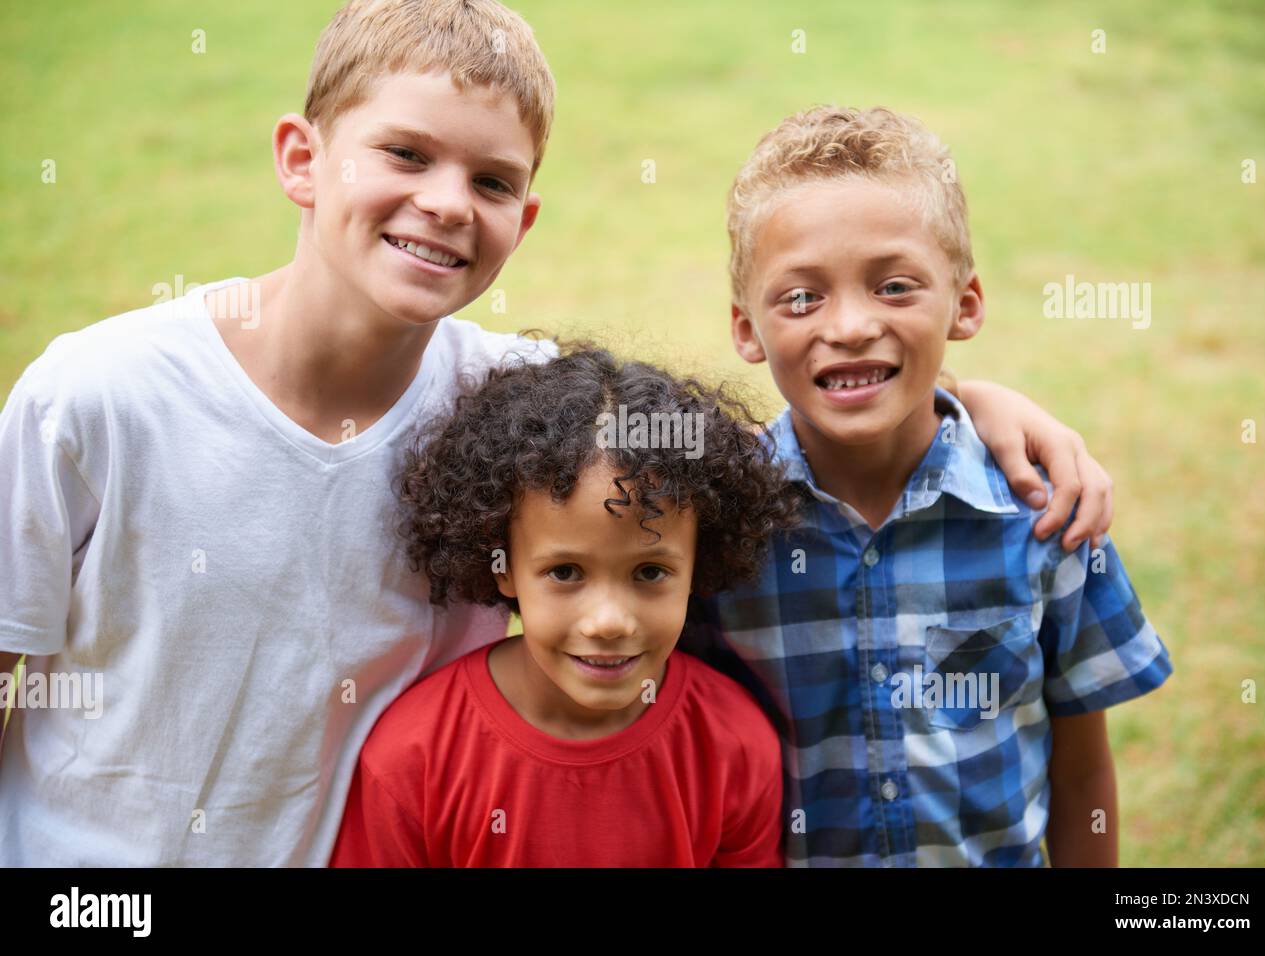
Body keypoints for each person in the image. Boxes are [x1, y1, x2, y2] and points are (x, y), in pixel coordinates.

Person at [0, 1, 1119, 866]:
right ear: (300, 157)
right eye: (403, 154)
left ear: (522, 220)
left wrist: (974, 408)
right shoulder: (94, 400)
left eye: (490, 179)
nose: (445, 202)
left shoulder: (511, 402)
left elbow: (752, 416)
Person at [681, 104, 1173, 867]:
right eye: (801, 296)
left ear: (965, 304)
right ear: (747, 329)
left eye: (895, 287)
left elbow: (1082, 770)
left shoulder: (1043, 512)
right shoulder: (714, 531)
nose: (848, 325)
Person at [331, 347, 802, 866]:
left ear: (700, 561)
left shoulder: (733, 743)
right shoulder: (414, 756)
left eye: (649, 573)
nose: (607, 622)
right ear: (502, 564)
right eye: (565, 572)